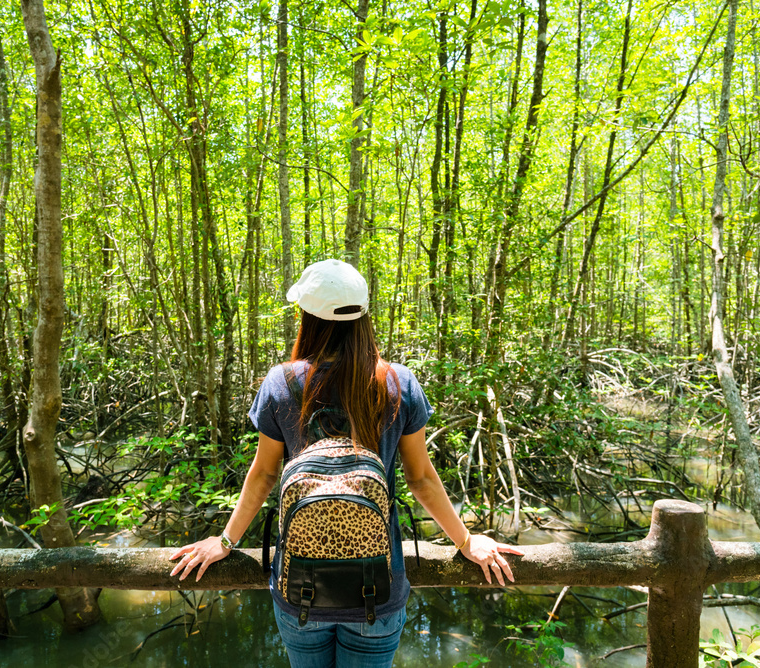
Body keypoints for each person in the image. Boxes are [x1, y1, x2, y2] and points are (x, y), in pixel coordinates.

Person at [171, 259, 522, 668]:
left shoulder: (281, 383)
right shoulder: (398, 382)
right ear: (364, 316)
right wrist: (466, 541)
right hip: (377, 591)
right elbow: (422, 479)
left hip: (299, 588)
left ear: (308, 318)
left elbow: (265, 474)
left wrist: (226, 540)